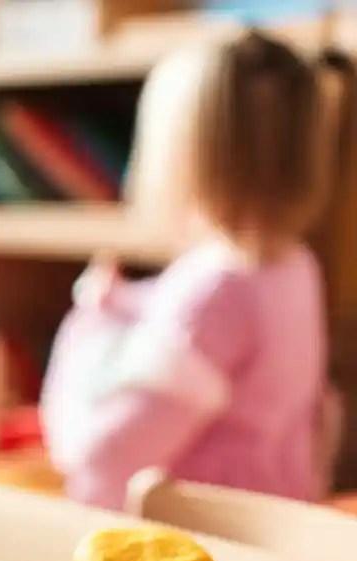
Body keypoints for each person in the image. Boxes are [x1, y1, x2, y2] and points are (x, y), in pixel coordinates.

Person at [42, 31, 350, 509]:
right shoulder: (294, 266)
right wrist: (132, 304)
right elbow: (211, 333)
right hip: (272, 527)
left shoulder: (214, 290)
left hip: (195, 547)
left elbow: (99, 458)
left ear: (181, 152)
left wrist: (89, 329)